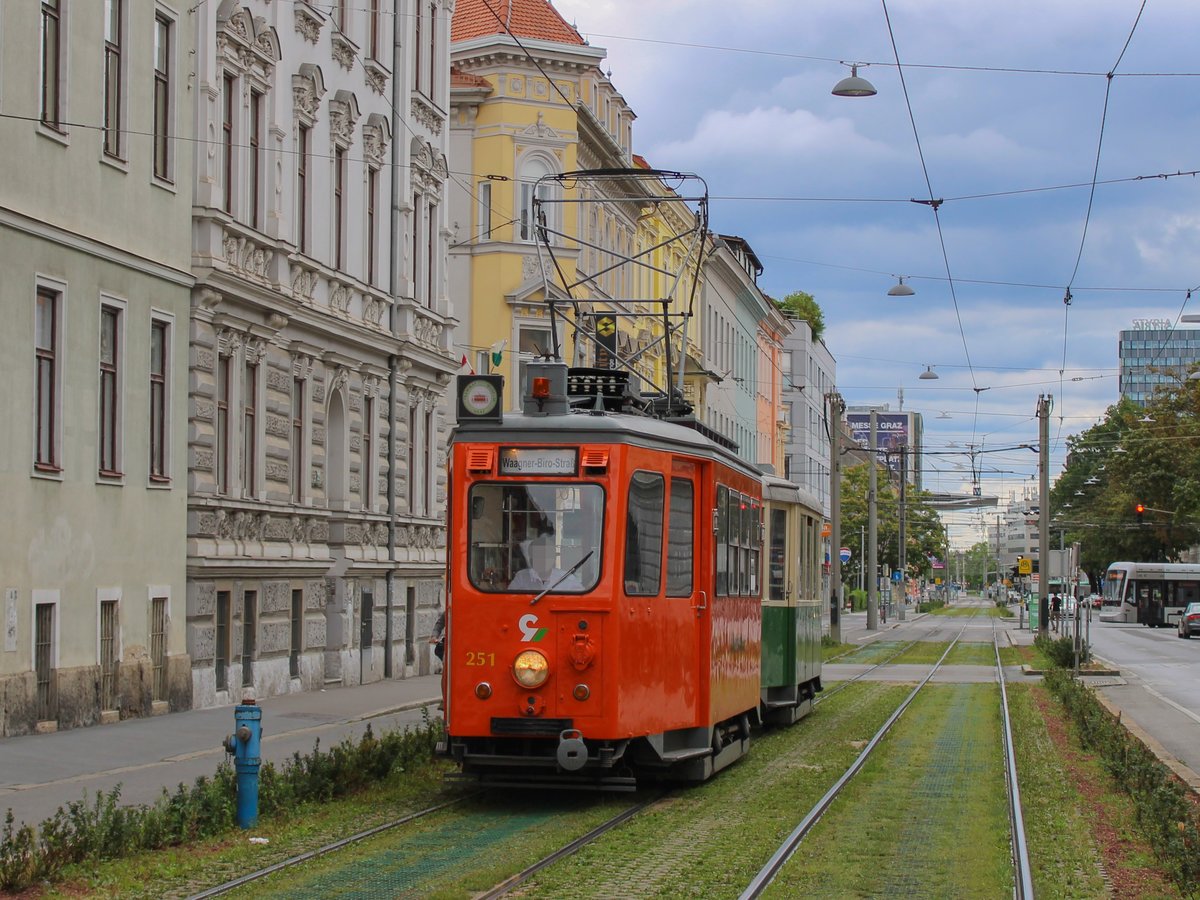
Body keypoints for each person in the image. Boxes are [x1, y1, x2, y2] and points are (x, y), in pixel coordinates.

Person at [508, 536, 583, 591]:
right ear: (531, 560)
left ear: (553, 559)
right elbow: (509, 599)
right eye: (538, 556)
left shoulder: (567, 578)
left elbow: (582, 600)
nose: (542, 560)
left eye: (546, 556)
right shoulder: (521, 577)